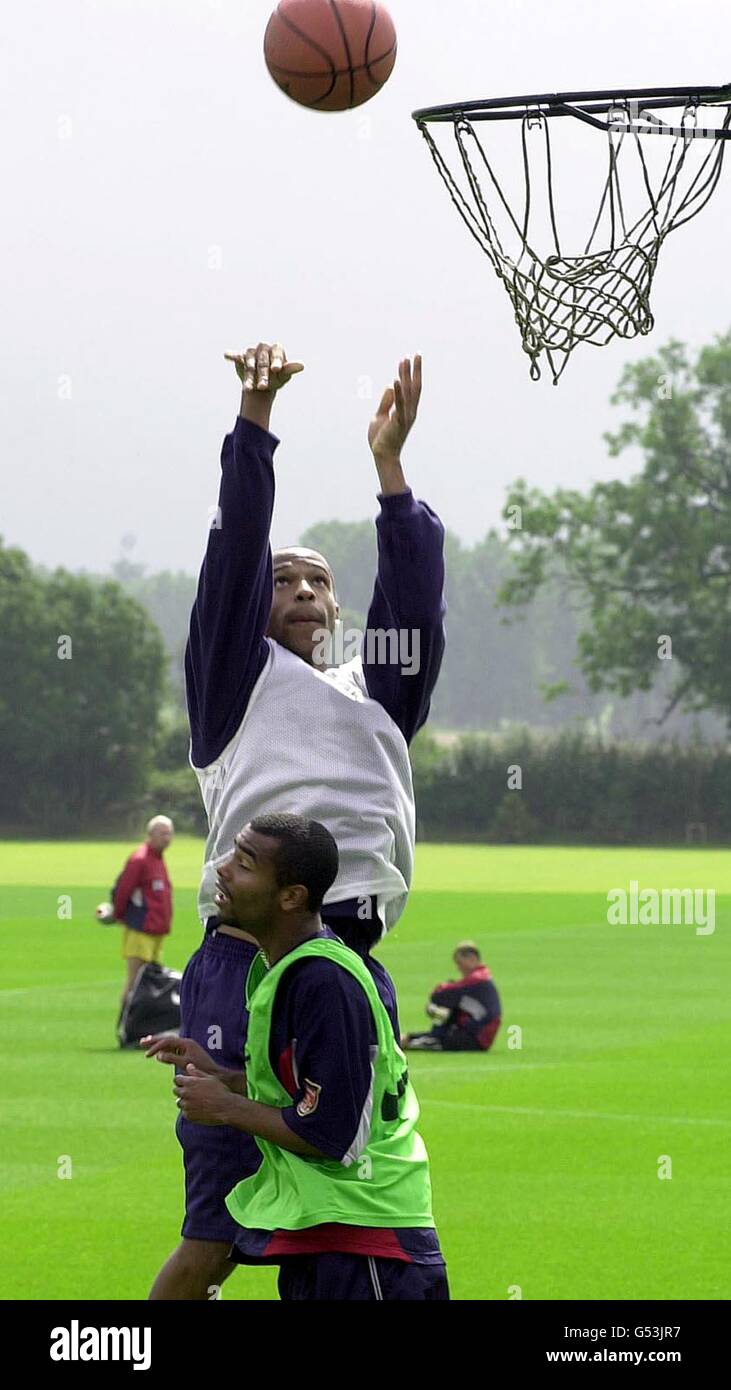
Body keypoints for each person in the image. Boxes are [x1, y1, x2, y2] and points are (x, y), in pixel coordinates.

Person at [146, 341, 446, 1300]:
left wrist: (391, 474)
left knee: (341, 1211)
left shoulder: (376, 693)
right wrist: (256, 421)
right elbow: (234, 553)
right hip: (248, 955)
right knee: (220, 1231)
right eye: (287, 582)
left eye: (320, 581)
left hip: (350, 958)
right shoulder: (232, 684)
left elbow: (417, 604)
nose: (306, 592)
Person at [170, 813, 449, 1302]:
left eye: (244, 863)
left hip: (369, 1246)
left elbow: (331, 1132)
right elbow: (307, 1093)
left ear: (291, 896)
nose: (223, 870)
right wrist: (224, 1079)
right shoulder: (284, 969)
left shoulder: (325, 981)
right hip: (328, 1238)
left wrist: (224, 1108)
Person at [112, 816, 174, 1009]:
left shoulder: (158, 859)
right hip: (141, 929)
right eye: (163, 833)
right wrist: (120, 915)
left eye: (170, 833)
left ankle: (141, 1024)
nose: (167, 838)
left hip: (156, 930)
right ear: (150, 834)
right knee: (135, 981)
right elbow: (123, 890)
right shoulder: (139, 859)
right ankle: (125, 1025)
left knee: (150, 983)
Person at [402, 943, 502, 1053]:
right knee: (451, 1007)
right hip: (477, 1036)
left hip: (473, 1038)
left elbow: (440, 994)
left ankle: (410, 1040)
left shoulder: (477, 980)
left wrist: (432, 1007)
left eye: (459, 963)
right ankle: (411, 1038)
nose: (458, 968)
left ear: (472, 959)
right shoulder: (483, 977)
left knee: (440, 1010)